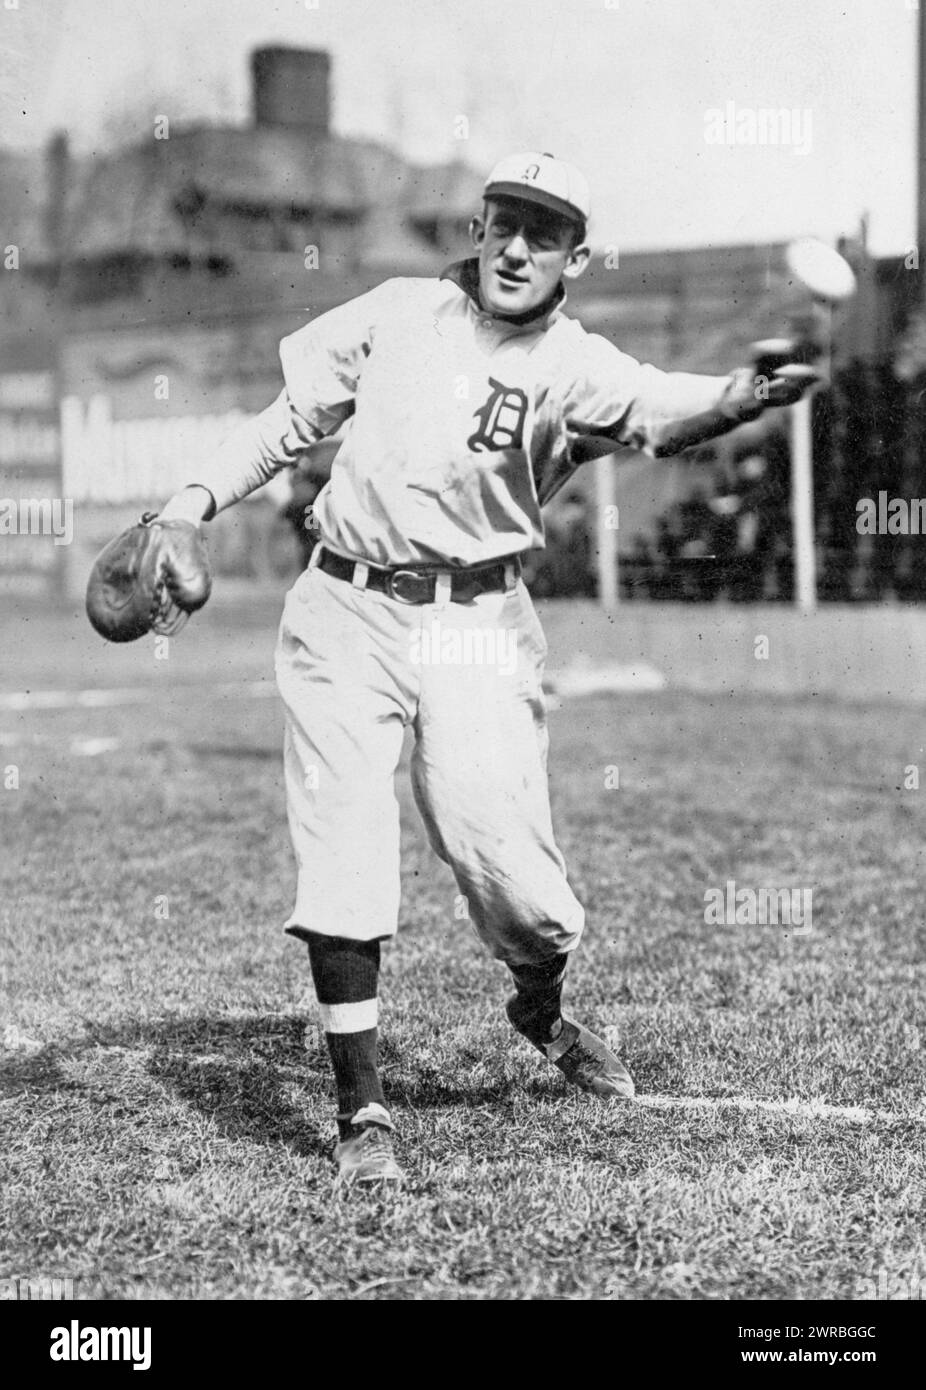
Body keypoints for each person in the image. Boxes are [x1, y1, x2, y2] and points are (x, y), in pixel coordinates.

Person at [156, 152, 810, 1182]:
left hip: (474, 619)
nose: (515, 247)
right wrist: (188, 503)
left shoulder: (572, 360)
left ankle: (538, 1005)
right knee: (344, 847)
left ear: (575, 256)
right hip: (344, 604)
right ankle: (361, 1110)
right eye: (503, 223)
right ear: (476, 227)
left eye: (542, 234)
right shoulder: (396, 311)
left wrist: (742, 393)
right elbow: (286, 421)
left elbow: (656, 409)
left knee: (519, 888)